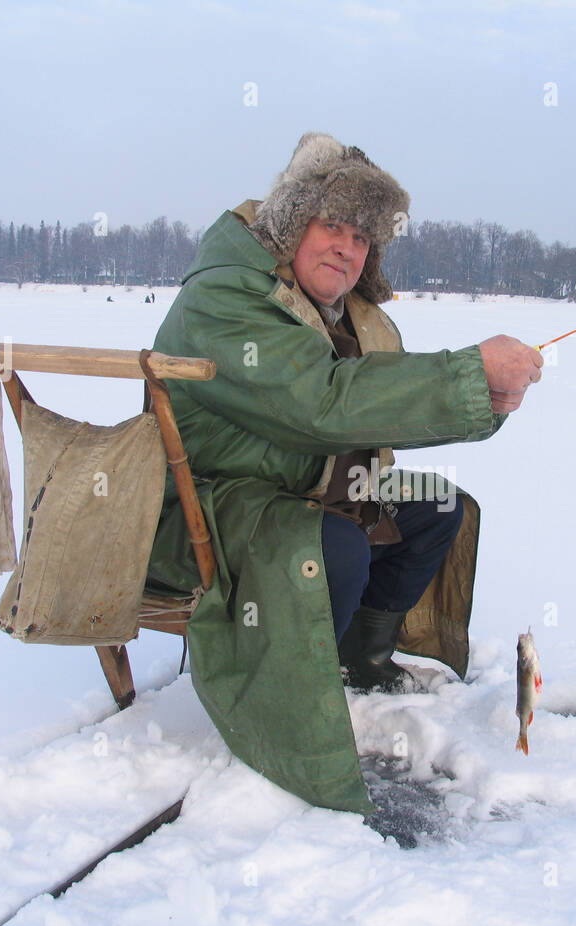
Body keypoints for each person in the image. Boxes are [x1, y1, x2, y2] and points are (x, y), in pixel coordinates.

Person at [145, 132, 542, 816]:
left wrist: (487, 395)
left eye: (362, 237)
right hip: (212, 506)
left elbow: (379, 405)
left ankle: (361, 657)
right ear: (292, 222)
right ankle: (296, 695)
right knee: (338, 547)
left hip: (305, 481)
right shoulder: (228, 299)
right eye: (332, 224)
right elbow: (323, 401)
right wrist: (468, 372)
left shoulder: (344, 315)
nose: (346, 248)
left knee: (437, 508)